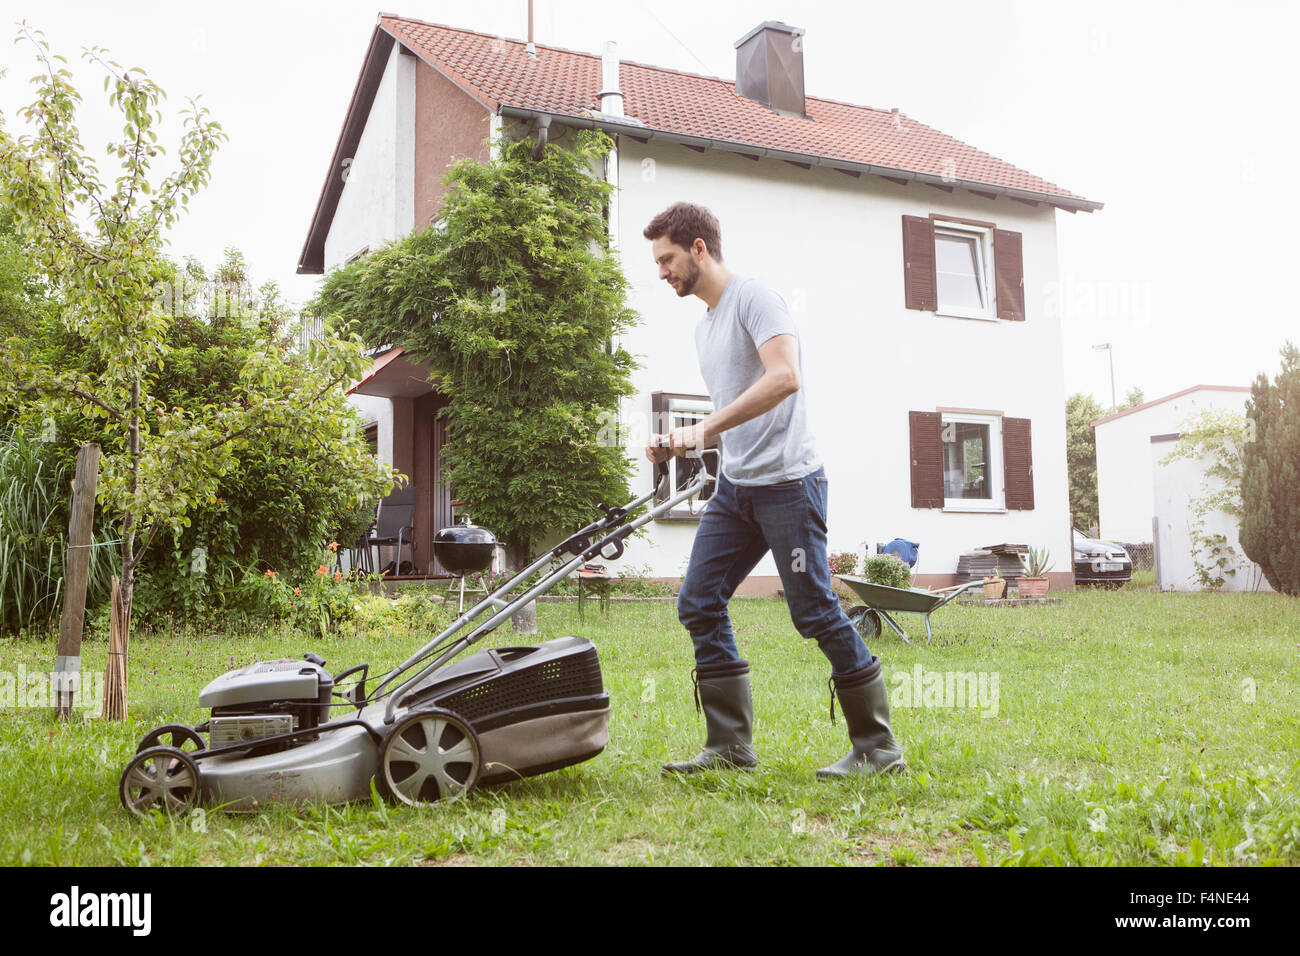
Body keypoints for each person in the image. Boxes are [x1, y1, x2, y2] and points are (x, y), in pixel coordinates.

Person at [642, 201, 905, 779]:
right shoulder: (703, 325)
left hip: (789, 484)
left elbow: (784, 377)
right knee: (698, 601)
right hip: (737, 489)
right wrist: (683, 443)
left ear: (699, 248)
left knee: (813, 610)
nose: (662, 273)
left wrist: (703, 430)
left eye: (667, 259)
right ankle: (731, 746)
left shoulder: (755, 299)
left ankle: (878, 748)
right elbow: (737, 405)